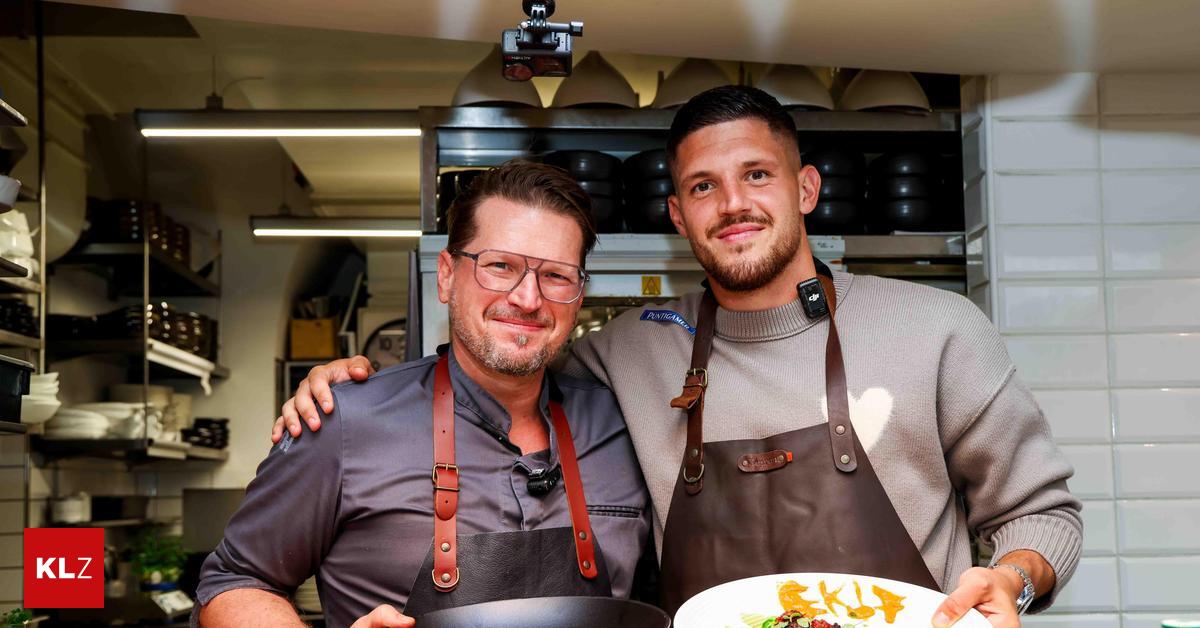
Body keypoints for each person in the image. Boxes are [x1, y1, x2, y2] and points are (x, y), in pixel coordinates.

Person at [275, 86, 1082, 627]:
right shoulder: (628, 352)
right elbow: (504, 354)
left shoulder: (938, 329)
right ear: (676, 212)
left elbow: (1045, 515)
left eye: (756, 175)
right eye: (702, 187)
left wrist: (1009, 579)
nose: (732, 205)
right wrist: (357, 386)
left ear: (804, 189)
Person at [197, 161, 651, 628]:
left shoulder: (627, 423)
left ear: (579, 295)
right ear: (447, 275)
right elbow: (234, 582)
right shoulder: (342, 420)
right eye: (500, 265)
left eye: (556, 275)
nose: (528, 298)